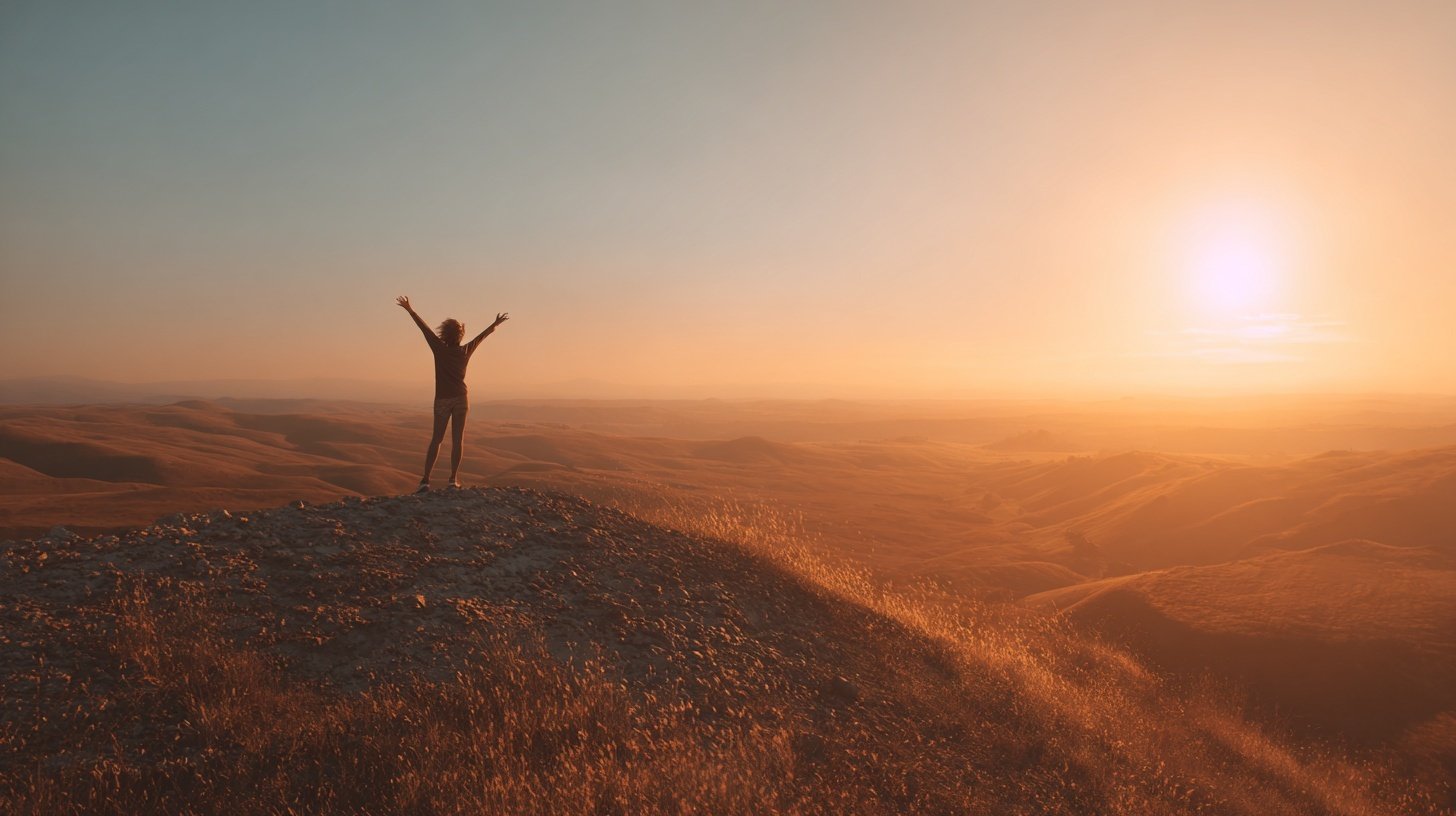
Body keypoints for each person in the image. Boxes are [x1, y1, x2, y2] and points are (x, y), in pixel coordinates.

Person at [396, 295, 509, 492]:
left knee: (436, 439)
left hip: (442, 400)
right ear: (460, 335)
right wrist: (495, 324)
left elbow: (425, 330)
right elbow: (481, 337)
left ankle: (425, 480)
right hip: (461, 399)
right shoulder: (466, 350)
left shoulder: (438, 349)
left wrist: (410, 310)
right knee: (458, 440)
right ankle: (452, 480)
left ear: (443, 334)